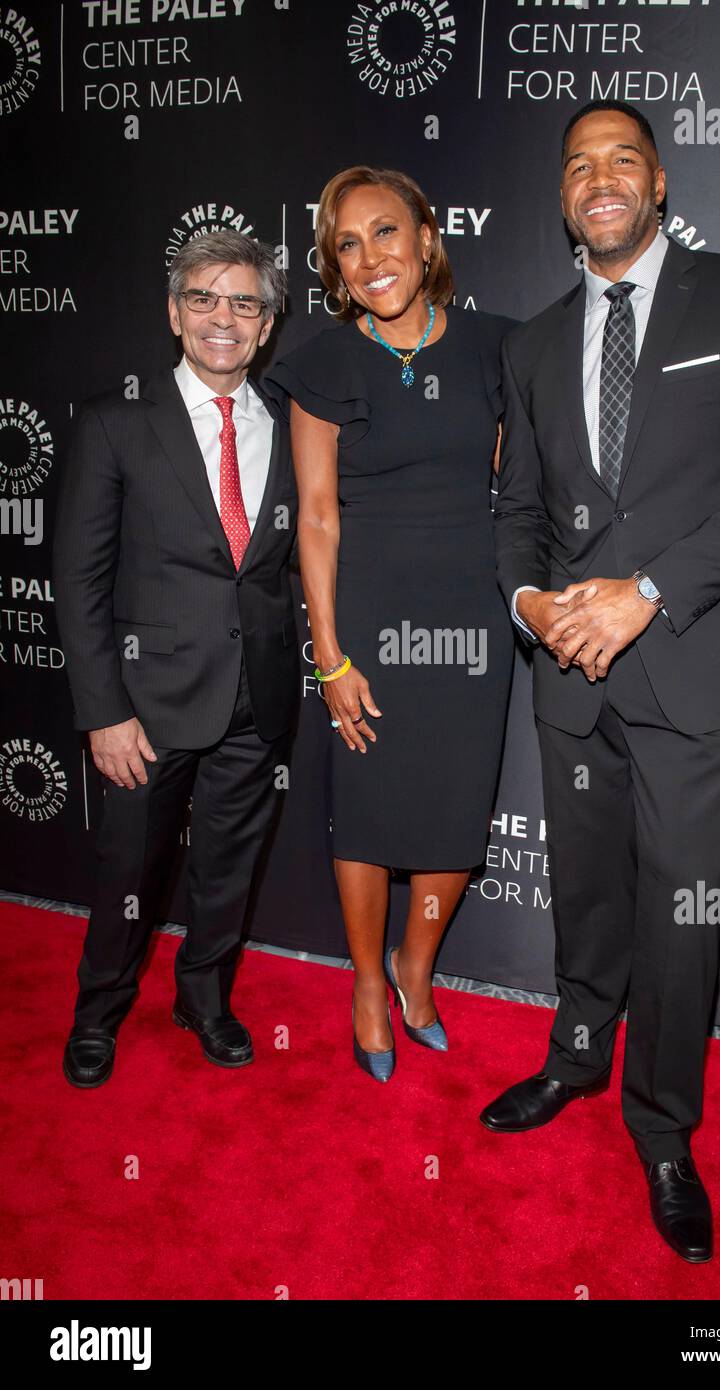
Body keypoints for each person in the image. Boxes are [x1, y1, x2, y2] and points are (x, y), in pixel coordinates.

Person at [484, 100, 720, 1261]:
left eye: (621, 158)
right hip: (571, 679)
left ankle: (664, 1129)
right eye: (578, 164)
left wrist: (647, 591)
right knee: (586, 893)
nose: (600, 178)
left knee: (681, 919)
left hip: (692, 672)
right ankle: (577, 1055)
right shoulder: (530, 344)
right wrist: (530, 607)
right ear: (564, 195)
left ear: (659, 181)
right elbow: (517, 516)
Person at [266, 166, 514, 1083]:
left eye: (386, 231)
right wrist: (329, 656)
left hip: (471, 614)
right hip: (366, 614)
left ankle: (419, 964)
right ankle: (368, 980)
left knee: (455, 807)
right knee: (366, 810)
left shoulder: (497, 347)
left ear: (425, 235)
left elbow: (511, 487)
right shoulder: (322, 360)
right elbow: (317, 514)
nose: (372, 257)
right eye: (348, 243)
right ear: (334, 264)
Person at [54, 230, 299, 1088]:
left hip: (258, 698)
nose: (222, 318)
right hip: (145, 706)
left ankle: (205, 997)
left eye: (244, 303)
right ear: (173, 312)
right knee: (131, 871)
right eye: (203, 298)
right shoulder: (116, 424)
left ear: (267, 324)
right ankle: (99, 1011)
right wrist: (103, 711)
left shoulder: (293, 428)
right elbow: (77, 579)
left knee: (228, 870)